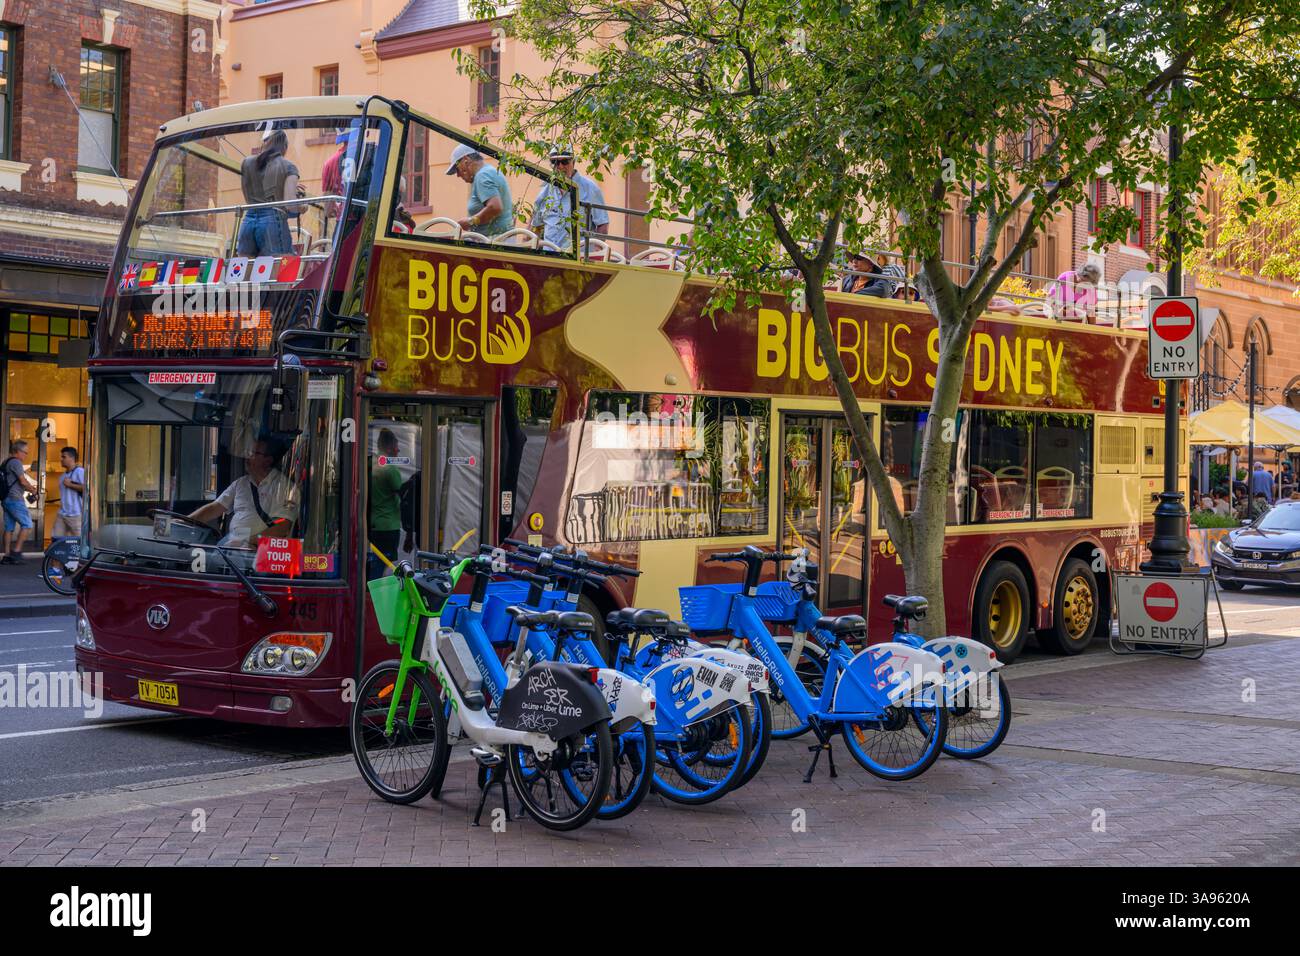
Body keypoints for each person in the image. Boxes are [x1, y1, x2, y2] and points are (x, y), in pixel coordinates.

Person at [188, 437, 294, 548]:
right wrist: (186, 521)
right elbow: (215, 507)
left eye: (253, 453)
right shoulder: (241, 483)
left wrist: (249, 541)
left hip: (261, 550)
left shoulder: (285, 488)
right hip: (233, 543)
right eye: (248, 452)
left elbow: (282, 525)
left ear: (268, 460)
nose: (247, 457)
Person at [530, 146, 610, 252]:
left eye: (565, 161)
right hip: (549, 256)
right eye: (555, 162)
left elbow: (602, 224)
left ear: (573, 162)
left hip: (577, 258)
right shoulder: (546, 190)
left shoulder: (590, 188)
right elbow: (535, 225)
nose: (560, 166)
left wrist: (597, 251)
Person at [237, 127, 301, 256]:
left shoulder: (247, 162)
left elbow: (248, 195)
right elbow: (291, 205)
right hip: (272, 222)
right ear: (284, 147)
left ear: (265, 144)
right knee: (278, 271)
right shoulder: (288, 166)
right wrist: (303, 207)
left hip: (247, 221)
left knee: (246, 272)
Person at [446, 143, 513, 238]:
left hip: (493, 241)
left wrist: (470, 221)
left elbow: (495, 207)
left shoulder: (482, 176)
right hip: (501, 239)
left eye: (457, 169)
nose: (458, 175)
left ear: (466, 160)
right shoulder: (490, 171)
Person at [368, 428, 404, 568]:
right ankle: (372, 589)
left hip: (372, 525)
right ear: (389, 448)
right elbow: (402, 495)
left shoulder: (370, 464)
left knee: (375, 564)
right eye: (396, 447)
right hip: (388, 526)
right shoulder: (390, 469)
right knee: (381, 566)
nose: (398, 451)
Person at [1, 439, 38, 564]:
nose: (25, 455)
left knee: (9, 528)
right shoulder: (16, 462)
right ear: (17, 451)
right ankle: (16, 552)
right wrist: (33, 490)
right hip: (15, 499)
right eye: (25, 452)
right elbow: (22, 481)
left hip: (6, 499)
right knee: (27, 524)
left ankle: (6, 555)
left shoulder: (5, 462)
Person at [51, 447, 85, 540]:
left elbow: (87, 489)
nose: (61, 459)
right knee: (56, 539)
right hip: (62, 514)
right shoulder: (62, 477)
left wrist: (70, 485)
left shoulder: (80, 472)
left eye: (64, 457)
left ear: (72, 458)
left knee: (79, 542)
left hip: (76, 514)